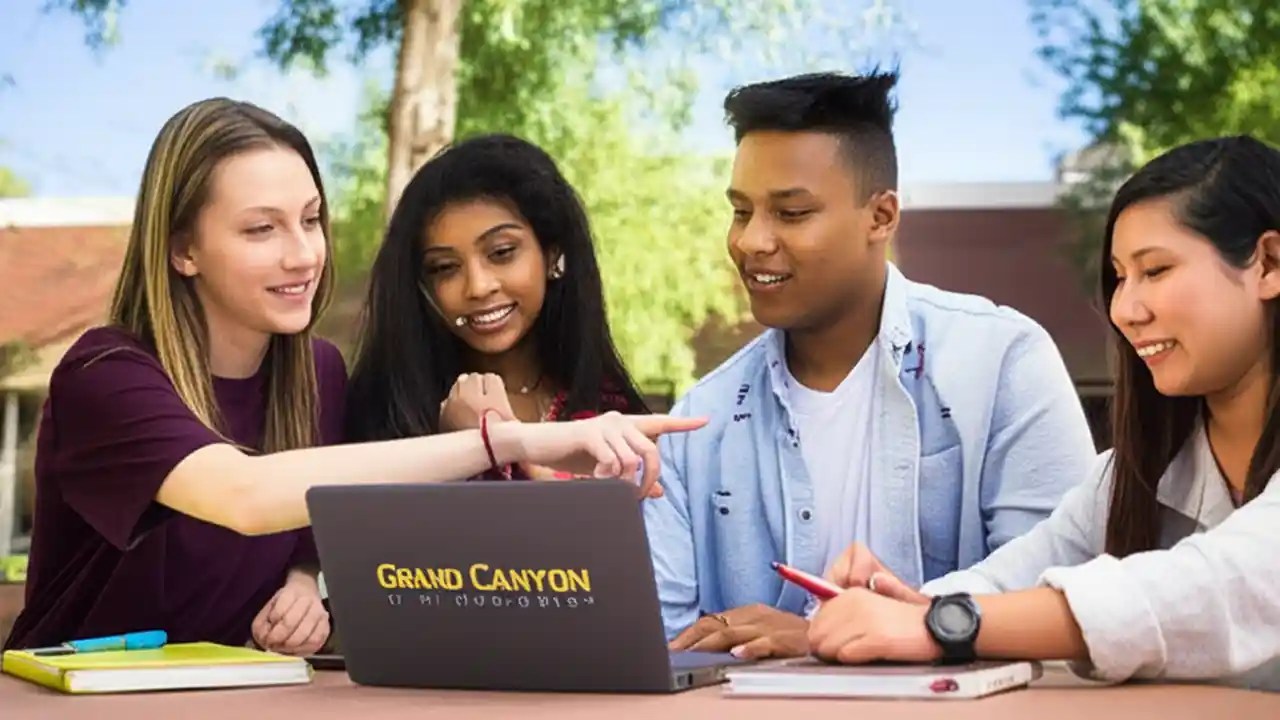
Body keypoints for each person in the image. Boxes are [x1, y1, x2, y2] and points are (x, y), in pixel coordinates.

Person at [2, 99, 704, 654]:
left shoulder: (319, 374)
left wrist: (304, 582)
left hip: (246, 696)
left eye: (311, 220)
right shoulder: (107, 374)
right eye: (261, 230)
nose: (303, 254)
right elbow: (245, 497)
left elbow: (311, 534)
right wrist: (510, 443)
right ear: (183, 248)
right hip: (83, 697)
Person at [650, 70, 1096, 659]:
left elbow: (1065, 601)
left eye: (791, 213)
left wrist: (819, 640)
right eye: (740, 212)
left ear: (881, 217)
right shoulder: (697, 423)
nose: (751, 241)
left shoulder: (1003, 364)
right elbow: (668, 648)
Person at [809, 135, 1280, 691]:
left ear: (1268, 264)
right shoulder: (1129, 476)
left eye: (1155, 271)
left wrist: (936, 624)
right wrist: (890, 610)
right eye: (1119, 277)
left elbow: (1213, 586)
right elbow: (1012, 578)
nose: (1126, 310)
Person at [345, 134, 649, 482]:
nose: (477, 286)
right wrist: (453, 450)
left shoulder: (609, 413)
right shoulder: (386, 415)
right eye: (445, 268)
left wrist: (509, 449)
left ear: (552, 253)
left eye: (502, 252)